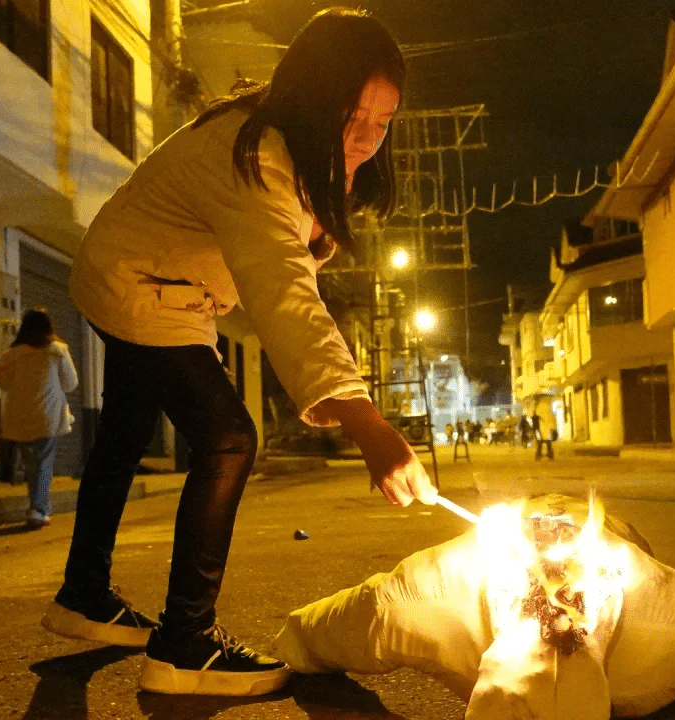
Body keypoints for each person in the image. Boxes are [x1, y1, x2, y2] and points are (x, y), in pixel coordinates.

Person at [42, 8, 437, 697]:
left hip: (149, 279)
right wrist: (366, 423)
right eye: (353, 119)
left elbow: (291, 268)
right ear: (315, 97)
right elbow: (286, 292)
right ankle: (184, 646)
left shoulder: (297, 148)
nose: (368, 139)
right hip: (143, 284)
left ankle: (83, 598)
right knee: (227, 439)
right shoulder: (255, 158)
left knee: (127, 431)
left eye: (384, 120)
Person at [0, 309, 78, 530]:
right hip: (46, 415)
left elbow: (2, 383)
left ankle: (38, 507)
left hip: (19, 415)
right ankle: (38, 510)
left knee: (33, 464)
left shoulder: (10, 355)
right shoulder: (57, 351)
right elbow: (71, 383)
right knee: (42, 464)